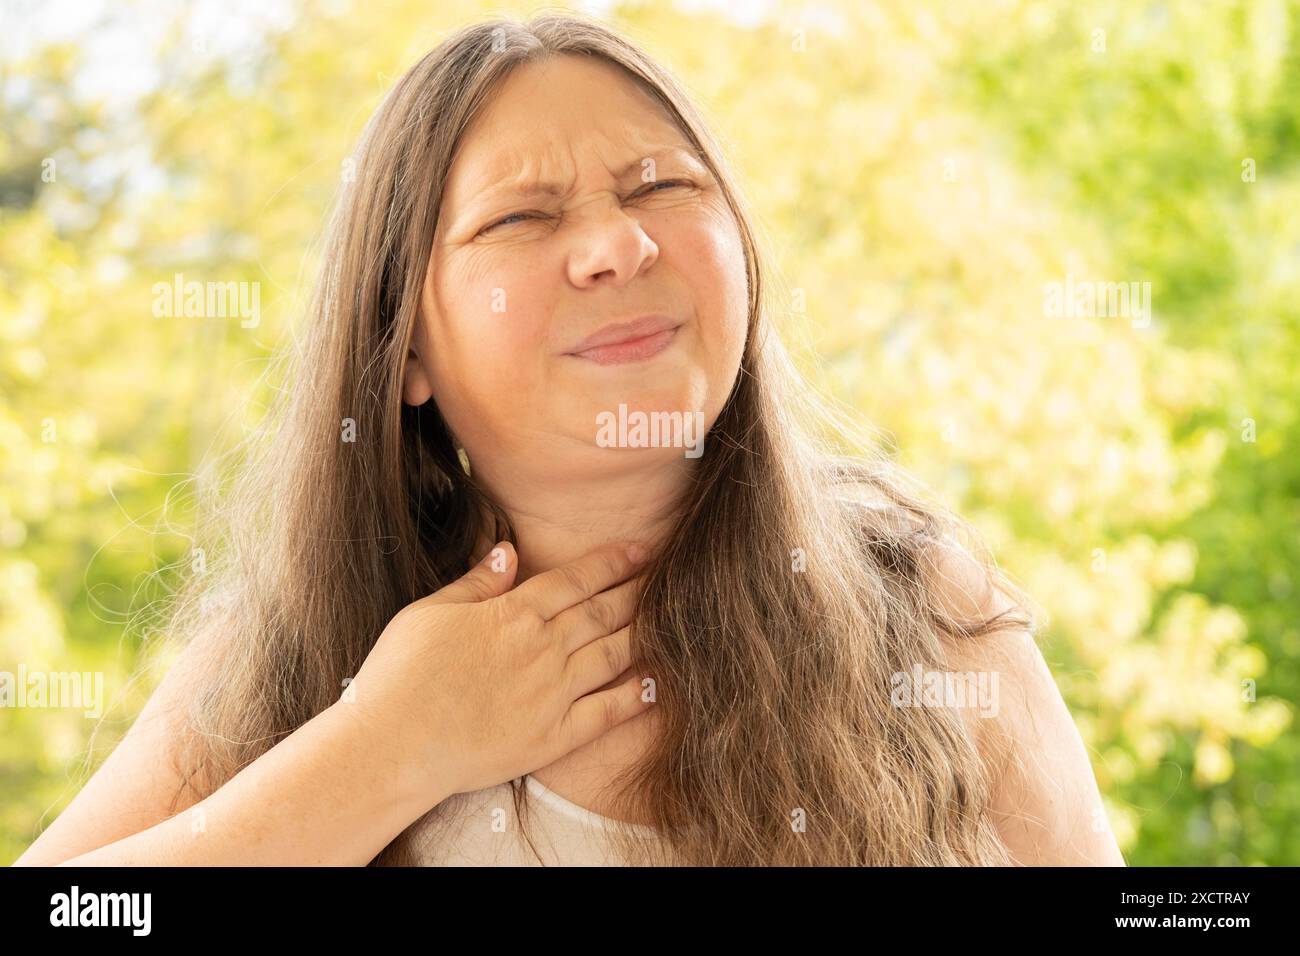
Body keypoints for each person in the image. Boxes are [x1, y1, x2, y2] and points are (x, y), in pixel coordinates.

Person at [15, 12, 1124, 867]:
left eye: (660, 185)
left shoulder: (919, 603)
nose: (615, 243)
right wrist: (386, 747)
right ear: (403, 351)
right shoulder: (295, 647)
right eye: (522, 217)